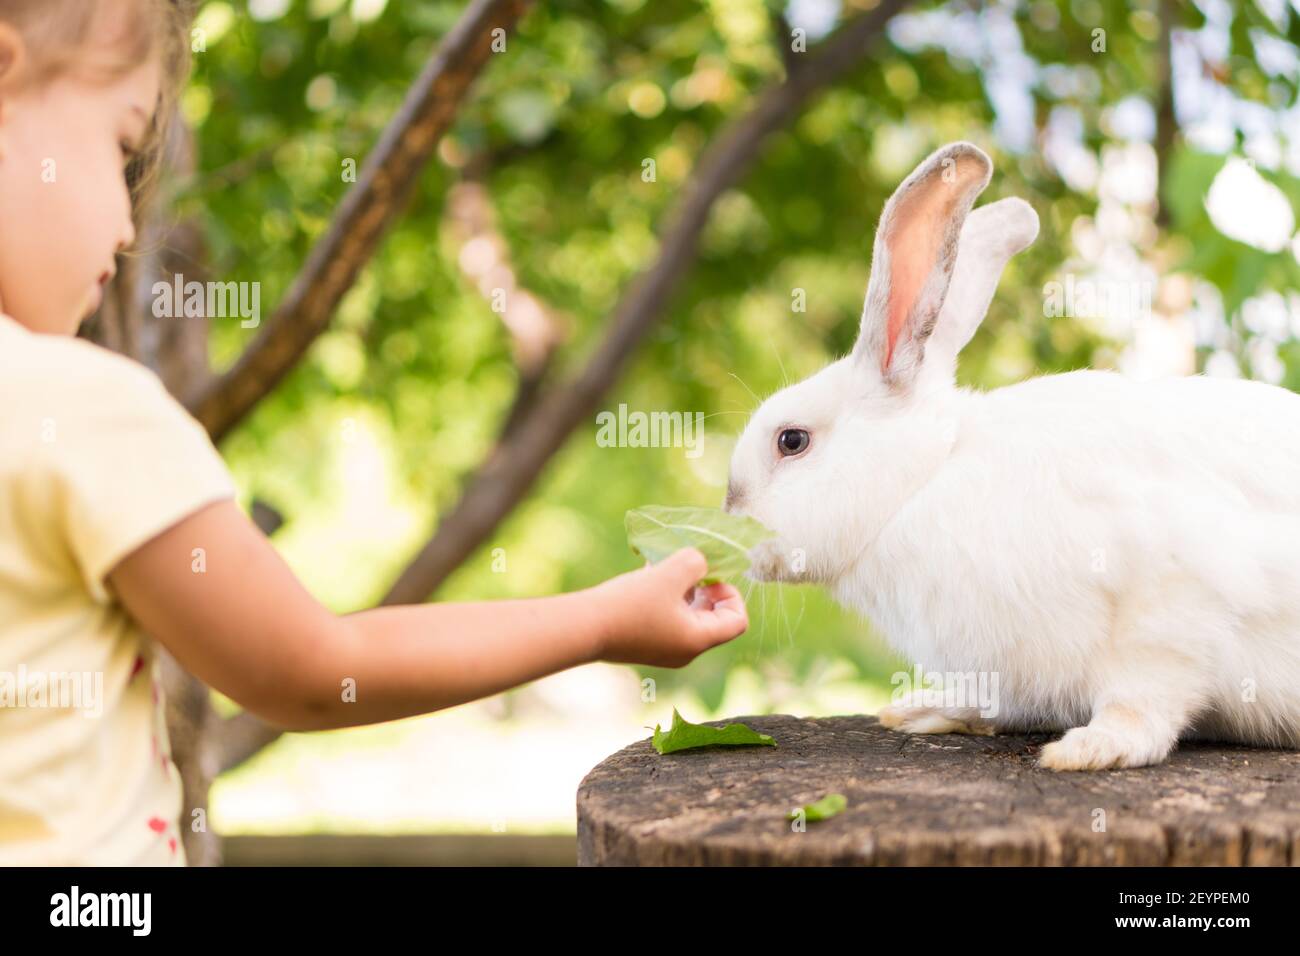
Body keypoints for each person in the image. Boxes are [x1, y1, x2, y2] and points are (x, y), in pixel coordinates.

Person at [0, 0, 747, 865]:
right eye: (121, 148)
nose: (131, 228)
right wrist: (601, 622)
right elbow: (314, 668)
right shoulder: (86, 411)